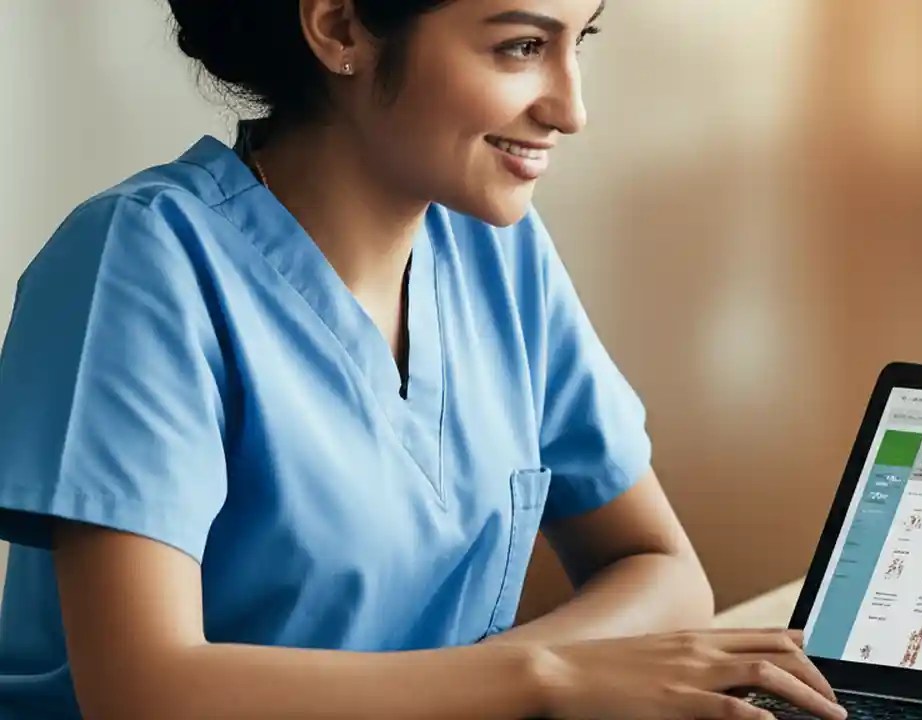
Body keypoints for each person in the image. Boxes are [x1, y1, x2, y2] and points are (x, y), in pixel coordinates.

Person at [0, 1, 847, 718]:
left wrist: (548, 678)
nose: (570, 108)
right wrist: (544, 676)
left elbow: (662, 571)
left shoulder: (496, 254)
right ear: (339, 28)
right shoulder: (141, 262)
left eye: (577, 42)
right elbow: (146, 689)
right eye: (521, 47)